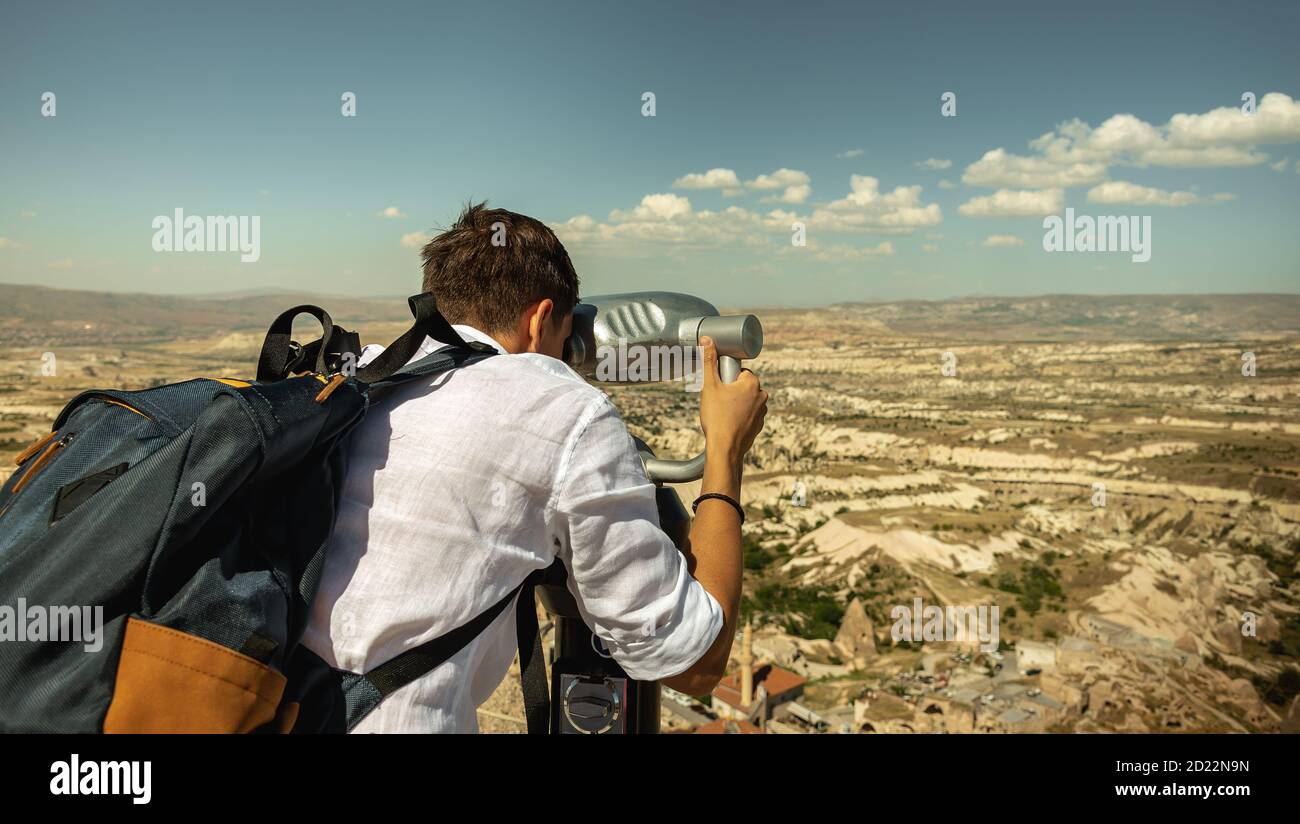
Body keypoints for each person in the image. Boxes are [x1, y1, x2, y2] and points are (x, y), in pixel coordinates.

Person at [301, 202, 767, 732]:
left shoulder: (359, 380)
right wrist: (725, 453)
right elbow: (695, 663)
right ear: (542, 317)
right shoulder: (564, 412)